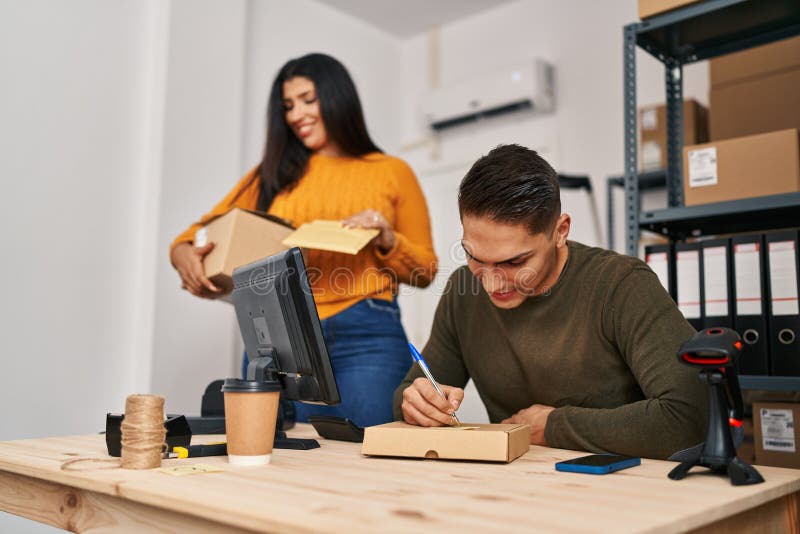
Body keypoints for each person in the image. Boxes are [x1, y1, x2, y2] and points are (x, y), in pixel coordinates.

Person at [171, 53, 437, 428]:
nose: (296, 115)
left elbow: (425, 271)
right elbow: (196, 233)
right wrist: (183, 252)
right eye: (288, 106)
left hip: (365, 336)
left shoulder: (392, 172)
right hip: (278, 336)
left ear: (337, 97)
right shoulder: (269, 175)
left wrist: (387, 238)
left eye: (308, 100)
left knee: (371, 460)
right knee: (272, 461)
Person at [394, 144, 707, 460]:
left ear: (560, 231)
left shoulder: (621, 284)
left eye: (515, 262)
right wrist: (418, 403)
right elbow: (408, 395)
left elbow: (688, 416)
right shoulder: (463, 289)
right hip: (517, 484)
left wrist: (553, 427)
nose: (490, 283)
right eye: (473, 256)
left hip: (622, 485)